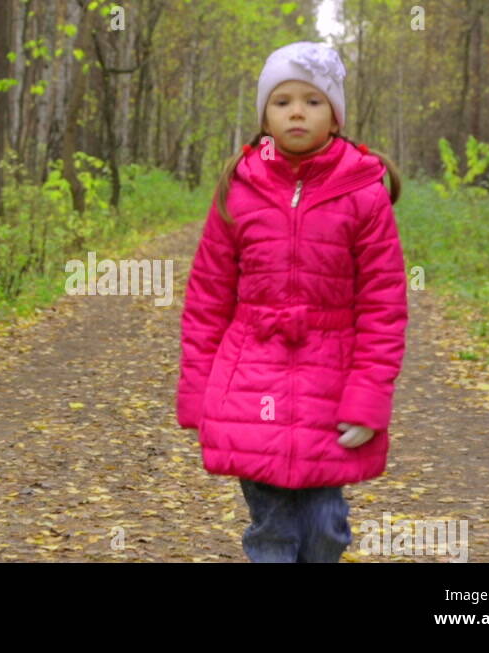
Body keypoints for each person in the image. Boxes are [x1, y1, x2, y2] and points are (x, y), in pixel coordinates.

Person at [175, 41, 408, 563]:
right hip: (250, 377)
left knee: (326, 526)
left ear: (335, 116)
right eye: (282, 101)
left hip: (332, 381)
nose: (297, 111)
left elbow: (383, 306)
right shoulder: (238, 189)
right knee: (273, 529)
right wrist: (197, 390)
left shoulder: (364, 194)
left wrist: (369, 397)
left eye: (313, 100)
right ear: (265, 114)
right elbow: (207, 297)